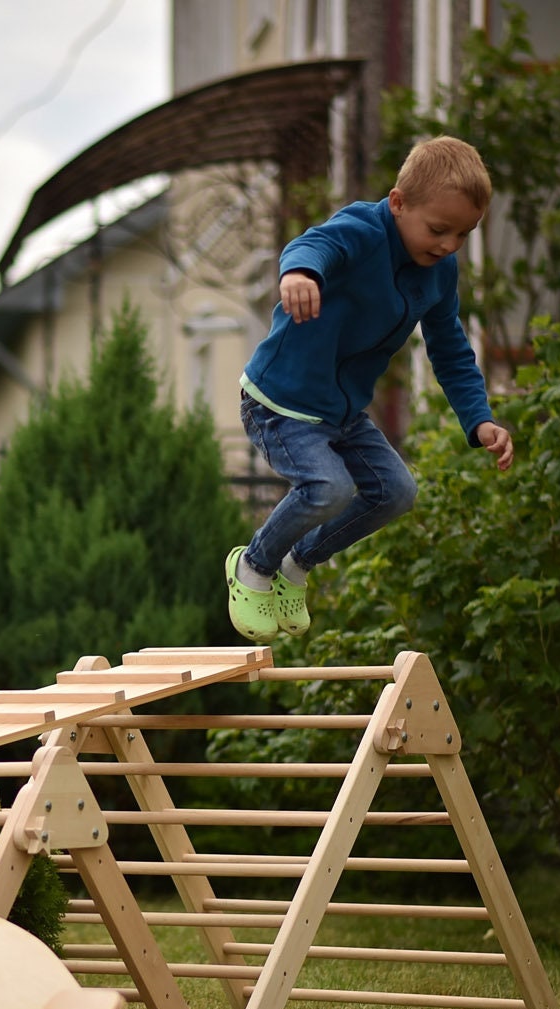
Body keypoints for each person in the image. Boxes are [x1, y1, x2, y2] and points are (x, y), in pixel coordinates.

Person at [225, 135, 514, 642]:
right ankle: (252, 566)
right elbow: (313, 244)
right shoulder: (363, 228)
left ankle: (298, 562)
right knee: (328, 487)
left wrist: (480, 419)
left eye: (464, 235)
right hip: (280, 403)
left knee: (397, 492)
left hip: (342, 413)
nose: (448, 245)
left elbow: (450, 348)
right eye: (439, 229)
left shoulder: (440, 272)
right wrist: (298, 272)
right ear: (399, 203)